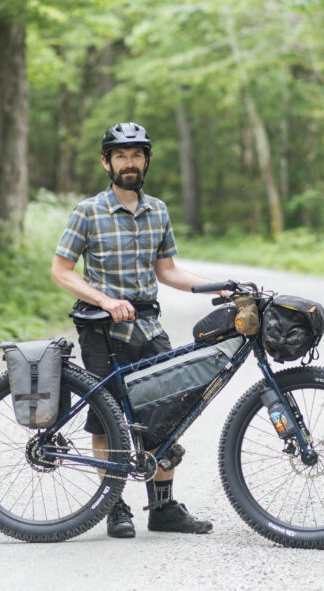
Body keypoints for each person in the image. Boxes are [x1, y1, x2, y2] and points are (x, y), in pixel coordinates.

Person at [51, 122, 222, 539]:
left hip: (148, 327)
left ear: (146, 161)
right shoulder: (87, 212)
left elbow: (168, 271)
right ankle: (114, 507)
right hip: (102, 330)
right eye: (121, 156)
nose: (130, 163)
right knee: (105, 420)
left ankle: (161, 510)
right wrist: (106, 301)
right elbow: (61, 271)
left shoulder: (158, 210)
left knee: (170, 410)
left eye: (137, 155)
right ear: (106, 162)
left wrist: (214, 287)